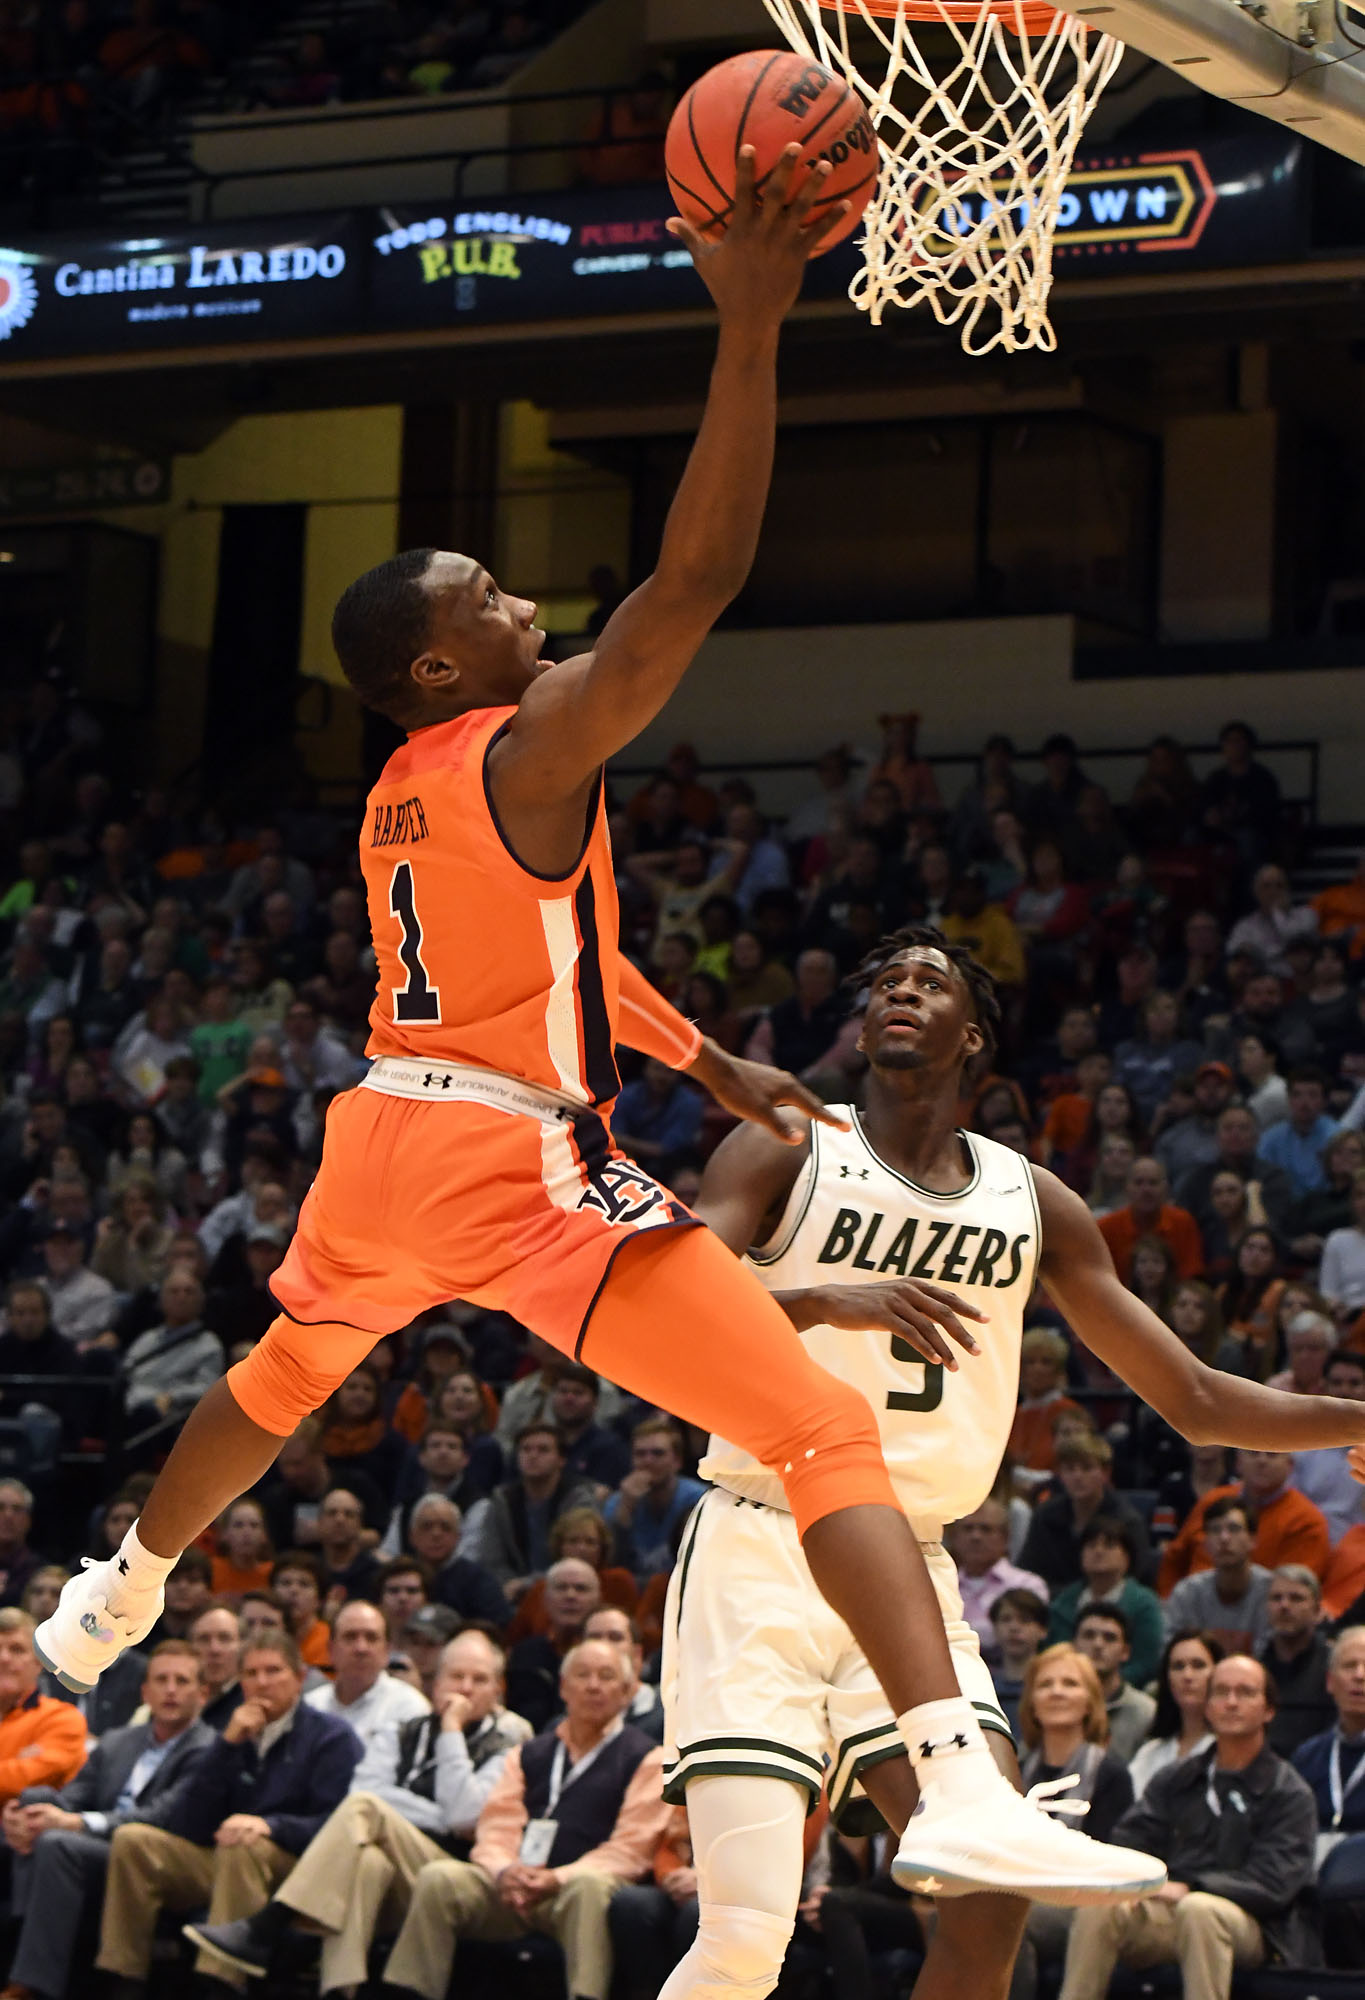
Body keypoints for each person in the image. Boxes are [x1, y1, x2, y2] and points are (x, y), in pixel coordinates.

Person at [18, 172, 1338, 1915]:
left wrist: (711, 1066)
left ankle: (122, 1583)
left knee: (278, 1376)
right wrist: (748, 313)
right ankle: (952, 1777)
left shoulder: (404, 797)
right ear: (436, 664)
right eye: (488, 594)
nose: (521, 602)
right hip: (512, 1159)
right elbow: (695, 576)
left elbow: (568, 959)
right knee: (814, 1428)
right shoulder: (522, 741)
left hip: (387, 1135)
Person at [657, 921, 1365, 2000]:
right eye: (884, 982)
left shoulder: (1033, 1200)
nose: (899, 991)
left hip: (910, 1563)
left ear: (972, 1034)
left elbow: (1198, 1398)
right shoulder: (787, 1142)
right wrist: (816, 1298)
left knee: (991, 1898)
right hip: (762, 1547)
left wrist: (1351, 1418)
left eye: (927, 983)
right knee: (748, 1935)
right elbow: (658, 1306)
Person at [186, 1628, 532, 1991]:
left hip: (453, 1869)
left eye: (479, 1680)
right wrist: (428, 1811)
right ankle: (338, 1989)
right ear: (435, 1682)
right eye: (456, 1676)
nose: (464, 1688)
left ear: (498, 1690)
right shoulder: (402, 1729)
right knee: (367, 1859)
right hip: (394, 1860)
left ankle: (268, 1924)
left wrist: (450, 1731)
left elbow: (463, 1817)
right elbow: (365, 1788)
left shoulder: (510, 1743)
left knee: (367, 1810)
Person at [379, 1638, 668, 2000]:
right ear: (563, 1688)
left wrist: (555, 1878)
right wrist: (505, 1871)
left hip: (571, 1892)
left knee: (591, 1887)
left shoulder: (647, 1758)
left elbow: (631, 1849)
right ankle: (410, 1992)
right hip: (515, 1889)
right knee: (441, 1878)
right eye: (583, 1675)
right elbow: (497, 1826)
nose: (593, 1685)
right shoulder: (530, 1752)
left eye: (606, 1676)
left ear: (627, 1692)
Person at [95, 1631, 363, 1993]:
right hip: (223, 1858)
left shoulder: (331, 1737)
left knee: (242, 1843)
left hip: (296, 1871)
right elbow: (186, 1823)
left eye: (273, 1671)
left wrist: (269, 1826)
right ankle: (122, 1978)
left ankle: (219, 1983)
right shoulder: (231, 1732)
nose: (262, 1683)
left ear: (300, 1678)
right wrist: (225, 1748)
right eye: (251, 1674)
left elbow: (336, 1828)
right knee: (133, 1840)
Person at [1058, 1655, 1320, 2000]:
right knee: (1102, 1907)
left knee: (1201, 1910)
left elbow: (1273, 1883)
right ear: (1207, 1707)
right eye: (1221, 1692)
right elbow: (1129, 1839)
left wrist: (1191, 1888)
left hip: (1258, 1928)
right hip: (1170, 1915)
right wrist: (1141, 1884)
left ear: (1268, 1709)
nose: (1231, 1702)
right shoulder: (1176, 1778)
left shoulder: (1289, 1791)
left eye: (1245, 1692)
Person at [0, 1642, 213, 2000]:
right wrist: (21, 1812)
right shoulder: (119, 1741)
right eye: (161, 1680)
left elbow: (162, 1817)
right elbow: (71, 1799)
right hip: (93, 1847)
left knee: (57, 1841)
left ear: (203, 1693)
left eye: (182, 1680)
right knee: (35, 1802)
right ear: (145, 1692)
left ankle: (31, 1985)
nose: (171, 1689)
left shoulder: (208, 1749)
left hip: (150, 1857)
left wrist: (75, 1823)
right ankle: (26, 1941)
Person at [1011, 1644, 1137, 2000]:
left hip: (1083, 1907)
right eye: (1046, 1684)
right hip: (1021, 1893)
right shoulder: (1016, 1774)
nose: (1057, 1691)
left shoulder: (1111, 1774)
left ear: (1090, 1702)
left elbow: (1106, 1862)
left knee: (1007, 1923)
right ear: (1031, 1703)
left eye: (1070, 1683)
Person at [1291, 1625, 1365, 1968]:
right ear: (1329, 1681)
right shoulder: (1308, 1754)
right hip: (1308, 1884)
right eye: (1349, 1667)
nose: (1360, 1676)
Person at [1159, 1449, 1332, 1592]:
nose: (1262, 1461)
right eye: (1253, 1453)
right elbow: (1173, 1561)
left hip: (1265, 1621)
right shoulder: (1212, 1502)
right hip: (1195, 1613)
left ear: (1290, 1466)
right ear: (1238, 1463)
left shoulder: (1307, 1519)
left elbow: (1299, 1591)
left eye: (1272, 1454)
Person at [461, 1424, 598, 1602]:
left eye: (543, 1450)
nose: (533, 1456)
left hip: (567, 1588)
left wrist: (529, 1584)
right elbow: (491, 1559)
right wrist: (511, 1584)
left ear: (561, 1459)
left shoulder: (578, 1498)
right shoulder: (502, 1500)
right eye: (526, 1449)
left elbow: (580, 1556)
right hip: (511, 1593)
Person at [1018, 1434, 1152, 1592]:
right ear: (1060, 1475)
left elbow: (1138, 1579)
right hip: (1051, 1605)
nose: (1078, 1476)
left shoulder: (1127, 1521)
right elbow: (1027, 1573)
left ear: (1105, 1473)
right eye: (1070, 1469)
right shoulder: (1044, 1516)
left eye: (1087, 1468)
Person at [304, 1598, 430, 1755]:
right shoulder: (310, 1706)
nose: (361, 1648)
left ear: (387, 1650)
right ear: (331, 1649)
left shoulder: (409, 1707)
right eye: (350, 1637)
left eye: (371, 1638)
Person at [1047, 1517, 1163, 1687]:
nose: (1098, 1551)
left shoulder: (1145, 1604)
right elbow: (1054, 1654)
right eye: (1091, 1546)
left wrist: (1106, 1685)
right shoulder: (1064, 1603)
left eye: (1109, 1545)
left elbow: (1146, 1663)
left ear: (1127, 1557)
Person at [1163, 1495, 1273, 1656]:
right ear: (1206, 1544)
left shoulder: (1272, 1592)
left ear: (1253, 1540)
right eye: (1215, 1530)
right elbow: (1170, 1652)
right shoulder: (1187, 1593)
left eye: (1234, 1529)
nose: (1224, 1538)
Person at [603, 1418, 706, 1586]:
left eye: (658, 1453)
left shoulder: (698, 1499)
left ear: (677, 1461)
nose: (648, 1461)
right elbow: (610, 1566)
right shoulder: (618, 1502)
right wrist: (624, 1511)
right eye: (640, 1454)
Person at [0, 1609, 87, 1804]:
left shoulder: (63, 1719)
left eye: (17, 1649)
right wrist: (16, 1763)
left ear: (39, 1662)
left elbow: (30, 1779)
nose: (3, 1658)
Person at [950, 1498, 1048, 1664]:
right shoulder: (941, 1587)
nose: (976, 1536)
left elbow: (1022, 1635)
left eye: (986, 1529)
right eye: (968, 1529)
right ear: (955, 1538)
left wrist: (954, 1637)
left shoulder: (1028, 1585)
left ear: (1005, 1538)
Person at [1128, 1630, 1221, 1799]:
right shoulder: (1150, 1753)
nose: (1187, 1675)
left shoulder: (1228, 1749)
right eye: (1178, 1666)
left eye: (1198, 1665)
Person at [1258, 1565, 1335, 1756]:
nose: (1284, 1605)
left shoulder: (1335, 1668)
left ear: (1317, 1610)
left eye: (1296, 1598)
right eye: (1276, 1598)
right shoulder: (1254, 1670)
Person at [1097, 1157, 1203, 1285]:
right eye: (1138, 1183)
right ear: (1127, 1188)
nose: (1146, 1190)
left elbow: (1191, 1278)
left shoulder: (1183, 1222)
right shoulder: (1106, 1227)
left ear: (1166, 1188)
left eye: (1153, 1183)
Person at [405, 1495, 508, 1626]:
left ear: (458, 1536)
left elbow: (494, 1628)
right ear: (412, 1536)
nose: (436, 1534)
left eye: (446, 1527)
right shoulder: (397, 1577)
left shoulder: (480, 1581)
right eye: (427, 1526)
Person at [1071, 1604, 1157, 1761]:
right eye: (1089, 1635)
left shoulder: (1147, 1712)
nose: (1098, 1644)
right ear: (1074, 1645)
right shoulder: (1056, 1704)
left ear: (1126, 1652)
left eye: (1109, 1638)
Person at [988, 1588, 1049, 1737]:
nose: (1014, 1627)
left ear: (1043, 1630)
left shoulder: (1052, 1687)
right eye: (1006, 1619)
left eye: (1025, 1619)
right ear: (995, 1628)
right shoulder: (985, 1689)